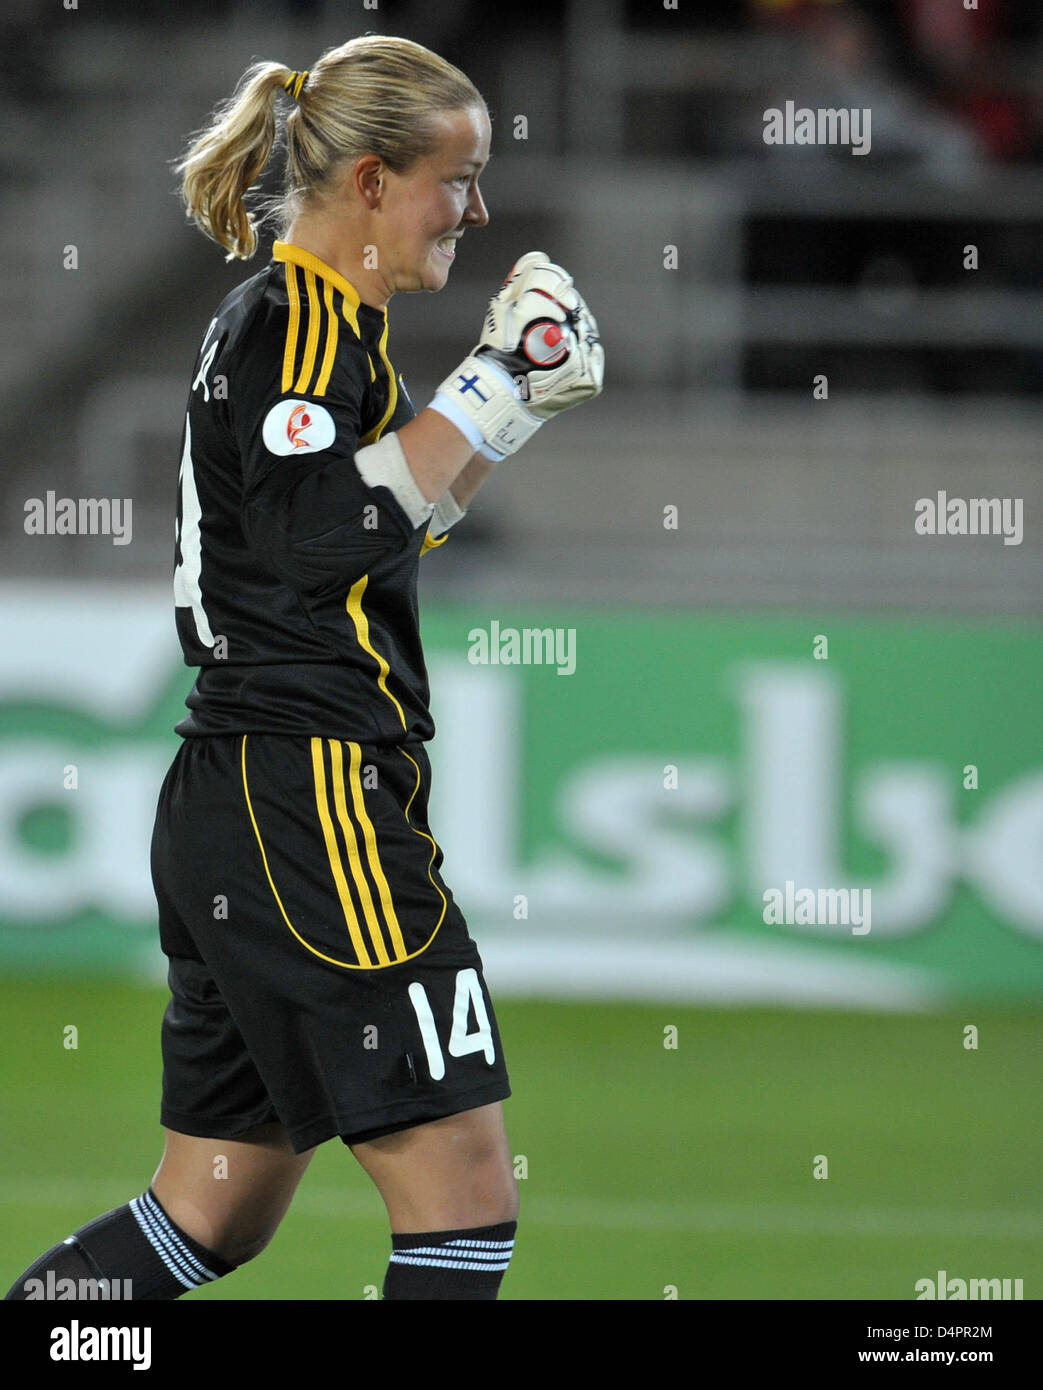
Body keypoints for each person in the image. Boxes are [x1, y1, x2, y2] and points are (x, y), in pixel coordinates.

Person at [5, 35, 602, 1302]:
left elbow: (373, 528)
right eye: (459, 177)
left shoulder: (322, 331)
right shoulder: (292, 324)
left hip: (246, 790)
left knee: (207, 1213)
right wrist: (496, 383)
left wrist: (516, 407)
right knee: (465, 1202)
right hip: (306, 791)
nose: (477, 209)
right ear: (374, 182)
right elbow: (316, 536)